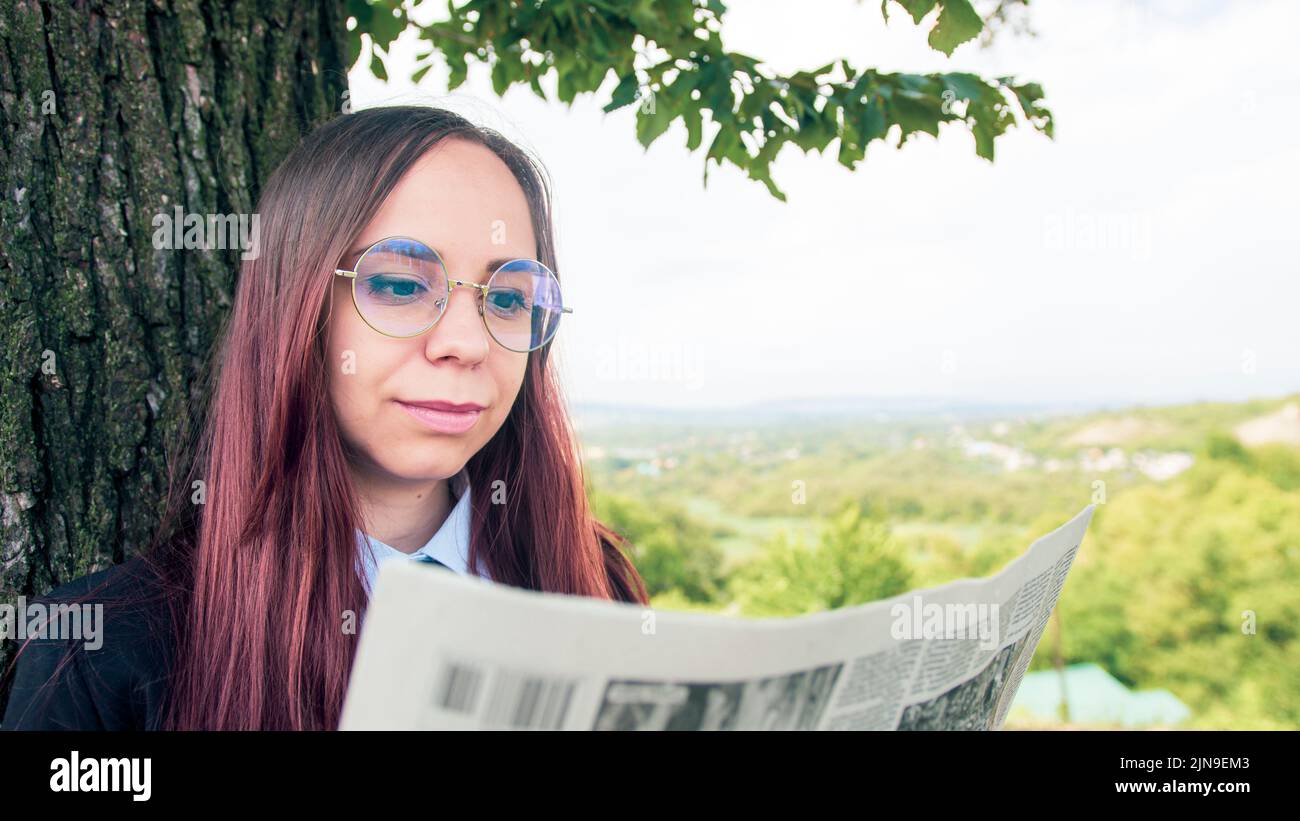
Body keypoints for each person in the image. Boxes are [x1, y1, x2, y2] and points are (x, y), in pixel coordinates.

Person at [1, 105, 647, 731]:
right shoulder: (99, 653)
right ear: (299, 304)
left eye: (507, 297)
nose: (469, 342)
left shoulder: (598, 586)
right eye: (399, 284)